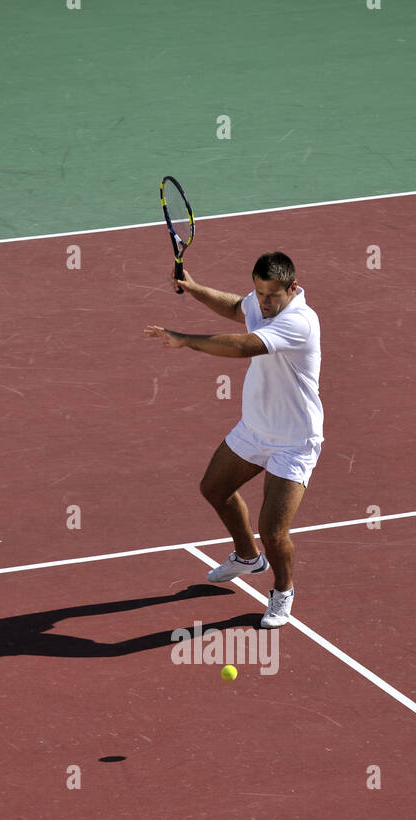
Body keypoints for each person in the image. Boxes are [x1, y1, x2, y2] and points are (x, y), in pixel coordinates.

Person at [144, 251, 322, 628]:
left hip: (294, 440)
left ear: (293, 288)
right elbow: (236, 309)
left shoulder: (300, 322)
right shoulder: (262, 304)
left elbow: (243, 346)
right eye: (259, 293)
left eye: (272, 295)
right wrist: (194, 290)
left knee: (273, 531)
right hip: (256, 428)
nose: (264, 302)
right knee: (214, 488)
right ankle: (246, 556)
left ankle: (283, 591)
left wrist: (185, 340)